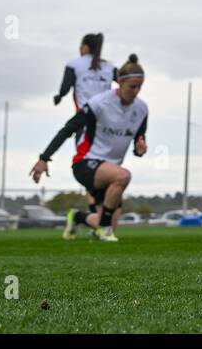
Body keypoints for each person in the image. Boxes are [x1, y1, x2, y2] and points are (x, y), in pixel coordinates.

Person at [31, 54, 148, 242]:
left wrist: (139, 150)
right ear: (119, 82)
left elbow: (138, 141)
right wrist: (44, 158)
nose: (135, 91)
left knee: (106, 220)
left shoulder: (141, 109)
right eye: (131, 87)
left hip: (110, 173)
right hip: (86, 163)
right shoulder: (99, 103)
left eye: (139, 87)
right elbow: (68, 129)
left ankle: (76, 217)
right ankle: (104, 230)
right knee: (124, 176)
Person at [53, 33, 116, 225]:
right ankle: (96, 221)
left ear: (85, 47)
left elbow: (64, 88)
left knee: (93, 172)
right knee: (103, 170)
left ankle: (89, 219)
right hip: (108, 125)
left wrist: (58, 96)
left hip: (85, 123)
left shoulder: (74, 64)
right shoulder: (110, 67)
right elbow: (123, 88)